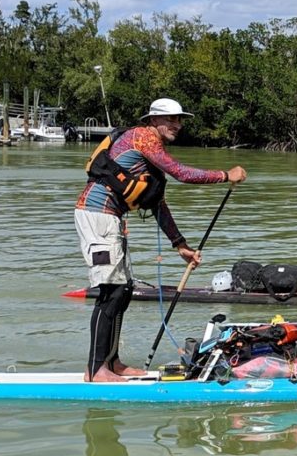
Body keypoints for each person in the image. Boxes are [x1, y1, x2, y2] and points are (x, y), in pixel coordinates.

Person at [74, 97, 247, 382]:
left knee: (124, 291)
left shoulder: (150, 152)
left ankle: (111, 361)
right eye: (171, 119)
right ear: (153, 120)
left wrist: (180, 244)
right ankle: (95, 370)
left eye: (180, 120)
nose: (177, 125)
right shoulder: (143, 138)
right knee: (111, 292)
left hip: (111, 219)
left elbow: (158, 204)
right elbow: (181, 173)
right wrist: (225, 175)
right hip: (96, 214)